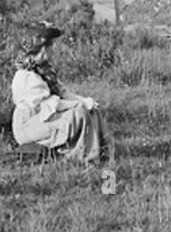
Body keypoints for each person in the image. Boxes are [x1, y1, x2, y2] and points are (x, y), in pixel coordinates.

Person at [11, 21, 112, 164]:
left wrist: (85, 101)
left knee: (92, 110)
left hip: (44, 117)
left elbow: (63, 93)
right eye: (51, 45)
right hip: (28, 124)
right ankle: (81, 156)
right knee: (79, 113)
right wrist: (80, 104)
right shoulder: (25, 76)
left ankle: (101, 153)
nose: (53, 49)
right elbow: (51, 105)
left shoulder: (44, 71)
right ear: (42, 48)